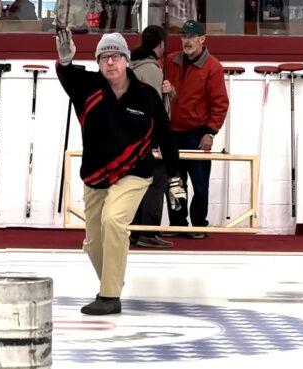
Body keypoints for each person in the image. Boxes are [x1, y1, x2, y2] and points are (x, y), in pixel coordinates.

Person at [55, 30, 186, 315]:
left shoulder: (146, 96)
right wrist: (65, 62)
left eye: (115, 56)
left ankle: (109, 295)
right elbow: (66, 75)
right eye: (104, 57)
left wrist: (175, 179)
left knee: (114, 221)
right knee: (93, 244)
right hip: (95, 176)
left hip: (135, 173)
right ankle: (113, 278)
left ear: (127, 60)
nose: (110, 62)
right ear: (99, 63)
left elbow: (166, 138)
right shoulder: (87, 87)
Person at [161, 20, 229, 239]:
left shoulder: (213, 67)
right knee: (175, 182)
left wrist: (210, 132)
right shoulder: (170, 61)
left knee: (200, 184)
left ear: (202, 39)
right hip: (172, 133)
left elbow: (220, 103)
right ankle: (178, 223)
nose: (186, 41)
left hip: (198, 134)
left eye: (191, 37)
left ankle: (199, 224)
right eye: (183, 36)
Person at [128, 24, 174, 249]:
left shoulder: (132, 66)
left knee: (136, 183)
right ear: (160, 45)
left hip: (132, 135)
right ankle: (149, 231)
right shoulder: (153, 70)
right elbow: (157, 108)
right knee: (157, 181)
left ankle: (135, 231)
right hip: (151, 136)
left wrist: (169, 90)